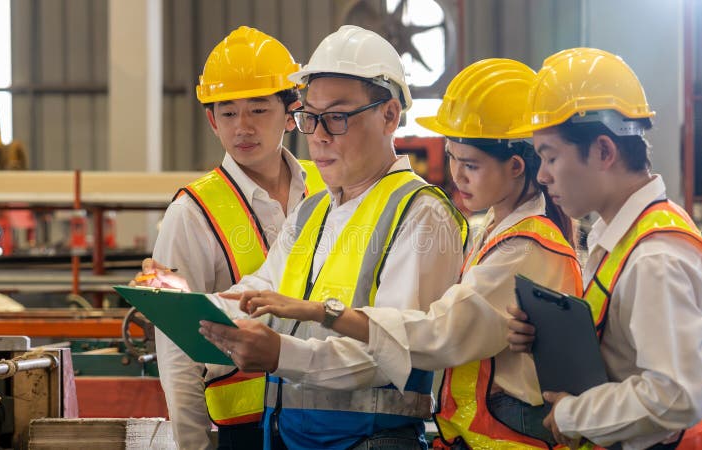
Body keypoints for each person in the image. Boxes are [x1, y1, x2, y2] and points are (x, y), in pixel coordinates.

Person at [145, 25, 467, 449]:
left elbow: (394, 353)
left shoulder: (419, 214)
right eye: (311, 118)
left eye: (337, 117)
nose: (318, 135)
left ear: (390, 115)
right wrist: (179, 307)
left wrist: (281, 355)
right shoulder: (313, 211)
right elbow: (257, 294)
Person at [239, 58, 584, 450]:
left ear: (517, 166)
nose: (457, 175)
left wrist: (323, 312)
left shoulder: (518, 245)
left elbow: (437, 333)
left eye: (470, 164)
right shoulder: (493, 232)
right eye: (452, 158)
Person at [505, 48, 702, 449]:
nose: (542, 175)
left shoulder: (655, 257)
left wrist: (574, 413)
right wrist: (543, 337)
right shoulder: (620, 238)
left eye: (550, 156)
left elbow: (675, 396)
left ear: (604, 152)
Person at [146, 26, 324, 450]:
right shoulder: (189, 213)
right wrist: (193, 444)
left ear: (290, 110)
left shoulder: (326, 190)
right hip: (246, 430)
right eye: (228, 112)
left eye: (258, 110)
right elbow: (175, 349)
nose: (242, 127)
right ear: (212, 120)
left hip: (331, 421)